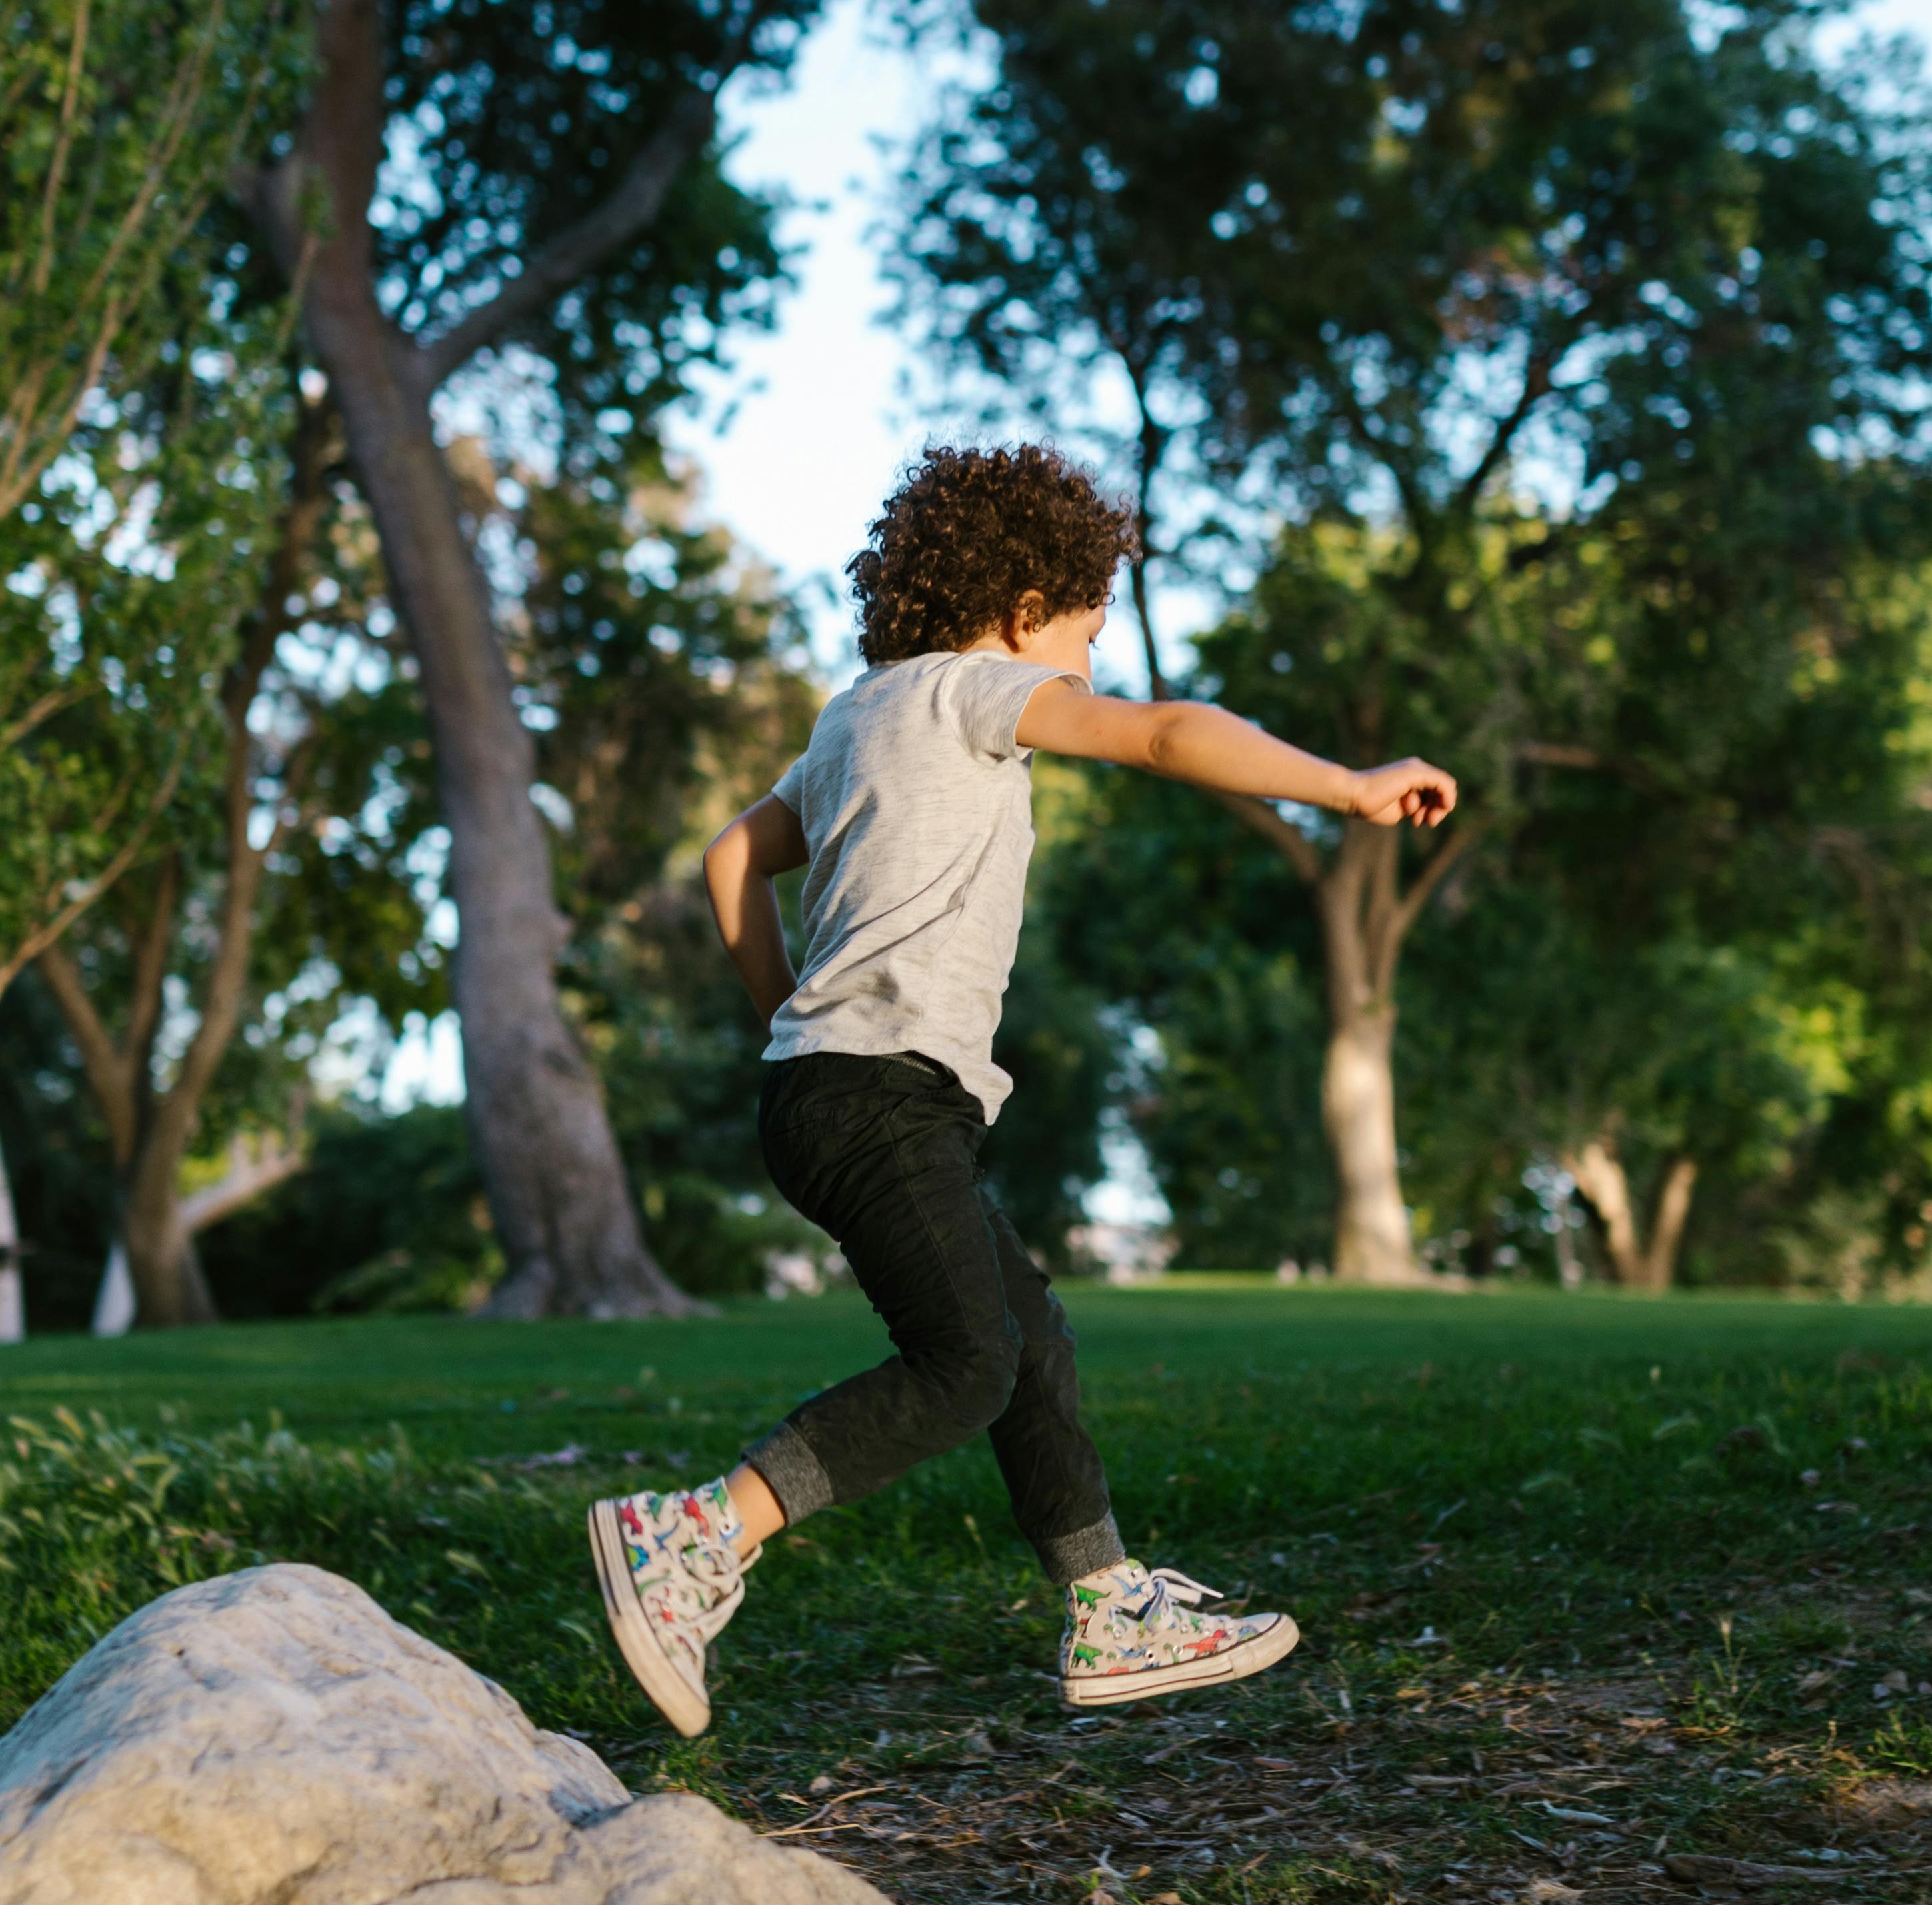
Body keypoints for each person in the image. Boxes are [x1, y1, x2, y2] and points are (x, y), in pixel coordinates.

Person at [587, 441, 1457, 1738]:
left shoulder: (855, 712)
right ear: (1018, 609)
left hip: (843, 1090)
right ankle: (695, 1532)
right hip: (879, 1092)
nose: (1089, 669)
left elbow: (731, 859)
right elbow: (1163, 732)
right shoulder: (973, 691)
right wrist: (1345, 783)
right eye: (1088, 631)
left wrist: (788, 1021)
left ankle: (1107, 1602)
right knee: (967, 1362)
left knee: (1025, 1330)